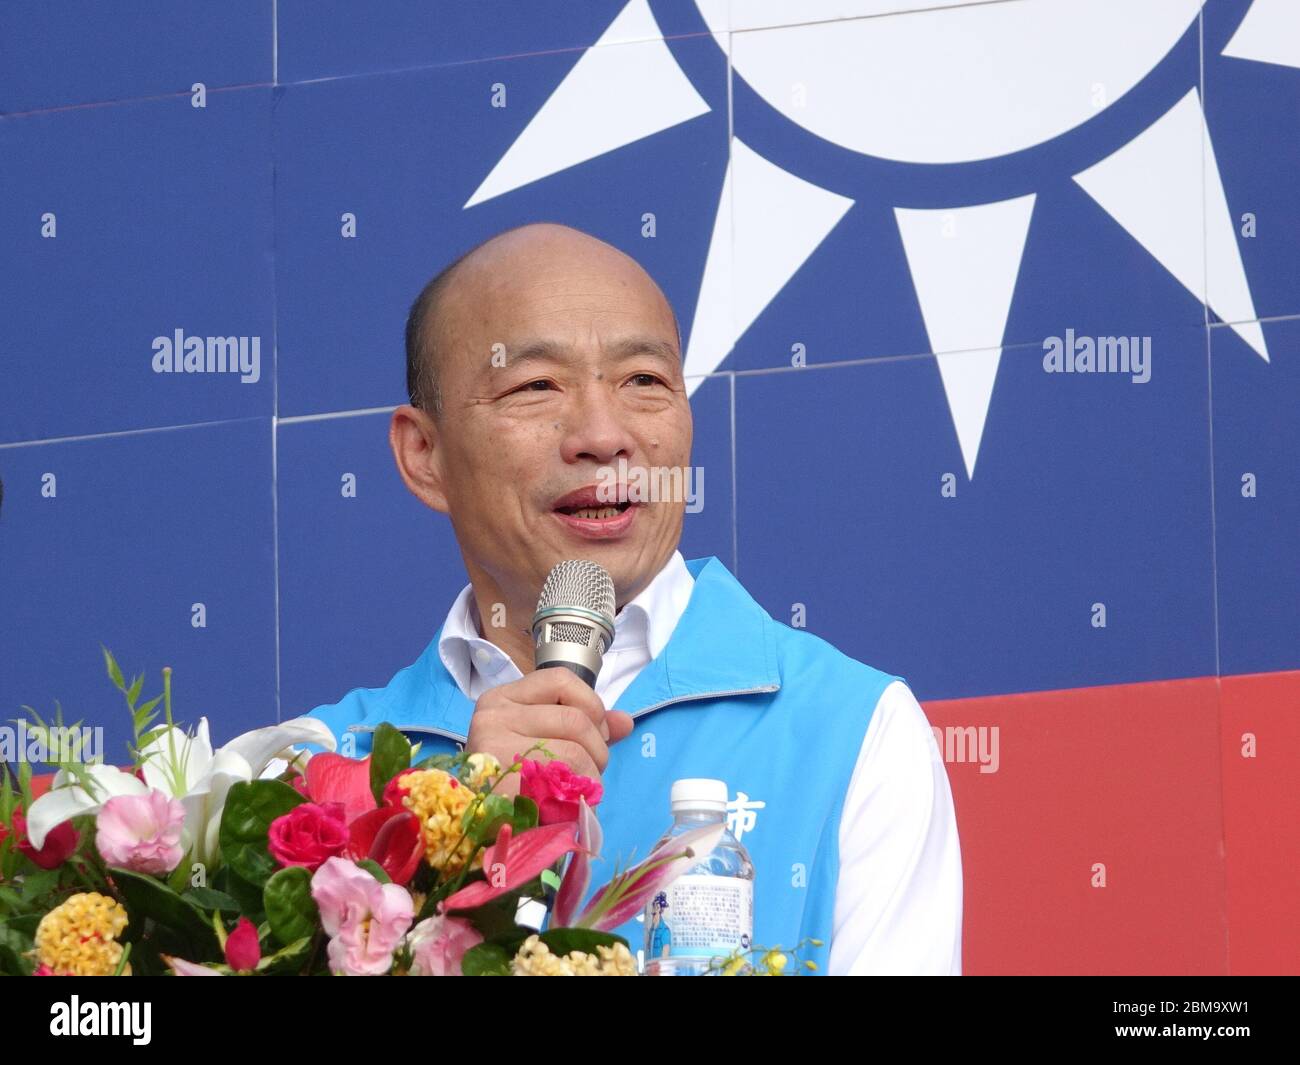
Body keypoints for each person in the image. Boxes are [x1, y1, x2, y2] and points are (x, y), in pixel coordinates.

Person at [305, 223, 962, 975]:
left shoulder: (851, 732)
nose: (602, 434)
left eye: (644, 381)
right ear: (425, 454)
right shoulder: (321, 770)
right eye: (535, 386)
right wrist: (460, 842)